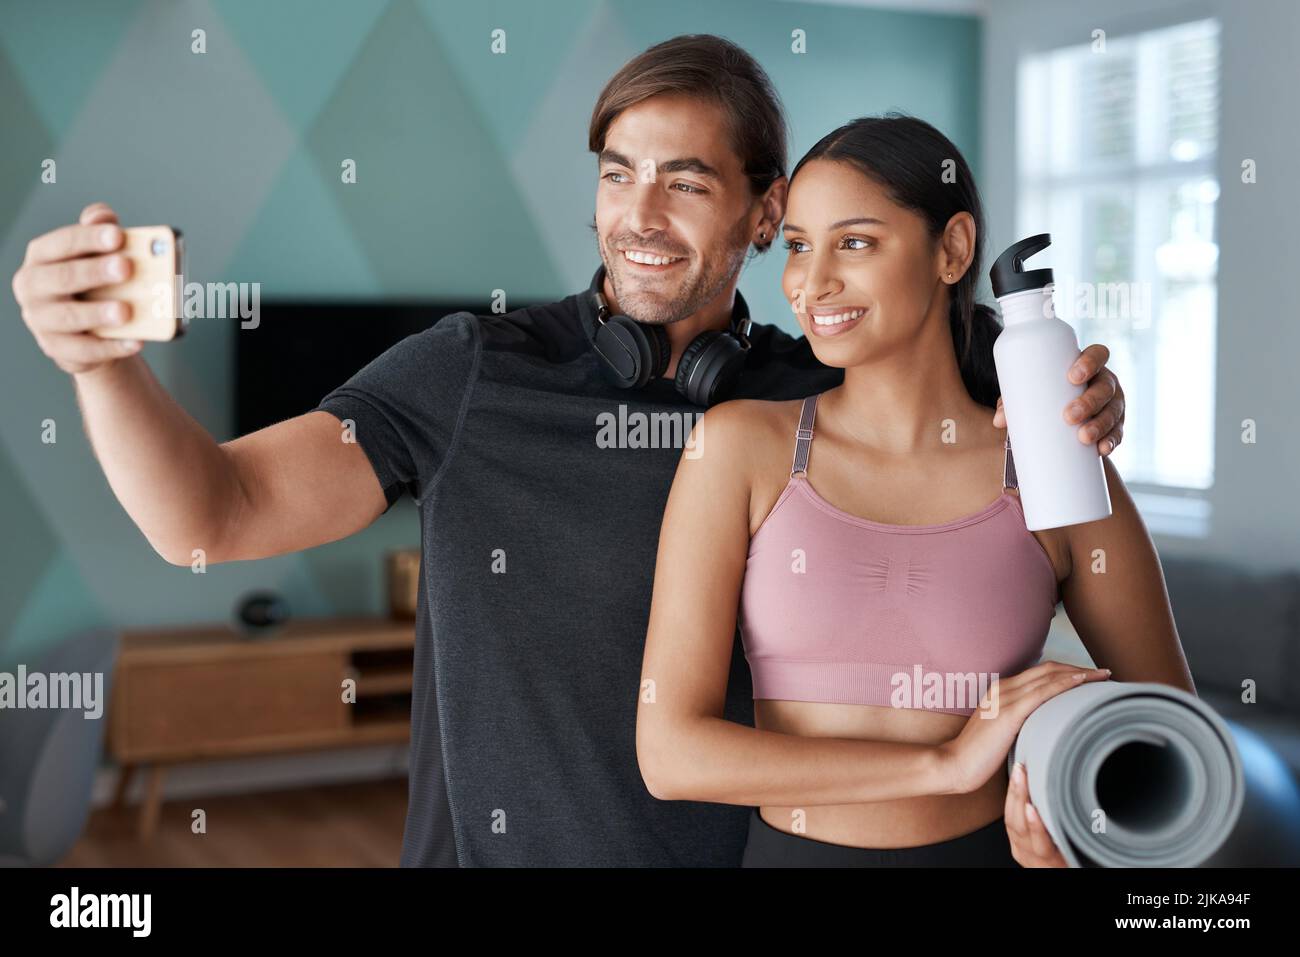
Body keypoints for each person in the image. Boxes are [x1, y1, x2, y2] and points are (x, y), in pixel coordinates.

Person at [8, 36, 1128, 867]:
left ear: (760, 212)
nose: (638, 213)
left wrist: (1082, 396)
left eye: (685, 181)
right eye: (615, 172)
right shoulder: (470, 371)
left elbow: (995, 415)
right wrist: (98, 365)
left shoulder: (810, 396)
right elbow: (211, 515)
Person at [636, 115, 1195, 867]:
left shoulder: (1051, 463)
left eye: (856, 242)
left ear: (953, 249)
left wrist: (1071, 852)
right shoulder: (741, 449)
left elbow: (1177, 749)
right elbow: (671, 754)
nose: (811, 281)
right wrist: (948, 764)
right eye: (799, 245)